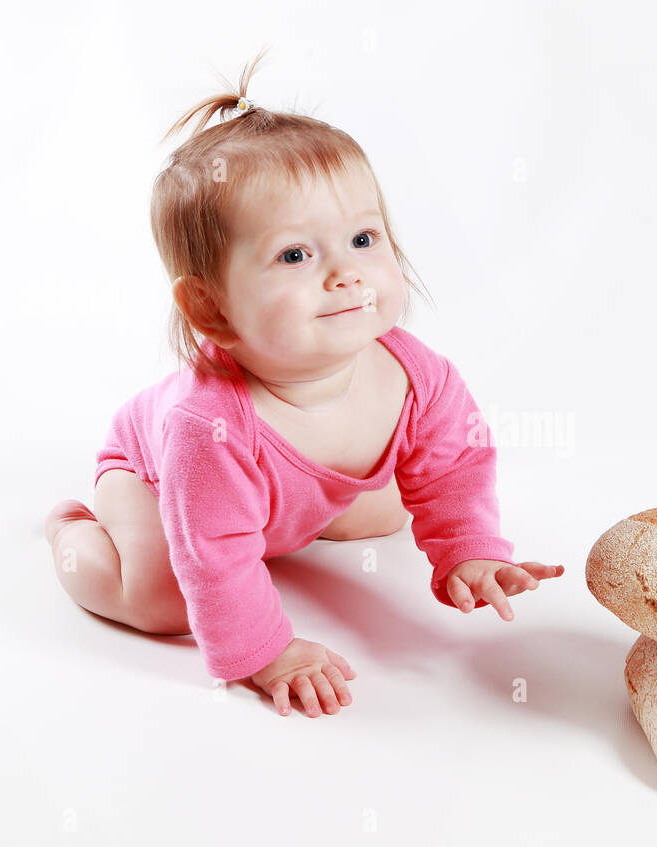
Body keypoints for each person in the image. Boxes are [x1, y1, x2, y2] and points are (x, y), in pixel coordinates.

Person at [44, 52, 563, 719]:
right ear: (211, 309)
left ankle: (289, 520)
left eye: (363, 237)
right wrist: (266, 653)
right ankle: (75, 535)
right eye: (295, 255)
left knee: (400, 506)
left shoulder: (413, 376)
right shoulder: (209, 428)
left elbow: (453, 466)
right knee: (164, 599)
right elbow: (214, 558)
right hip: (154, 481)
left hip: (280, 498)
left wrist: (469, 552)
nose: (347, 273)